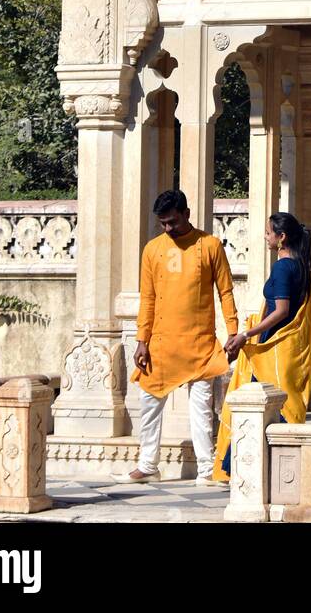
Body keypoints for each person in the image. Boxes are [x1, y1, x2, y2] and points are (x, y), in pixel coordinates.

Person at [127, 189, 241, 485]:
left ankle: (206, 468)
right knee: (149, 403)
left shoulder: (210, 245)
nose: (168, 229)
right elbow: (148, 297)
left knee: (201, 408)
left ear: (187, 214)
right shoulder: (152, 249)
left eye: (173, 222)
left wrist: (233, 332)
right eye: (163, 223)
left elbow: (225, 291)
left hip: (200, 344)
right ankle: (148, 465)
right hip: (160, 344)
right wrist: (142, 340)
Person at [213, 212, 311, 481]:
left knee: (262, 407)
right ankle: (276, 471)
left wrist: (246, 334)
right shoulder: (301, 264)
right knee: (276, 405)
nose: (265, 236)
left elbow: (281, 310)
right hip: (283, 346)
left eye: (269, 232)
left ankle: (250, 470)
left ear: (282, 238)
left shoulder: (283, 267)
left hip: (273, 346)